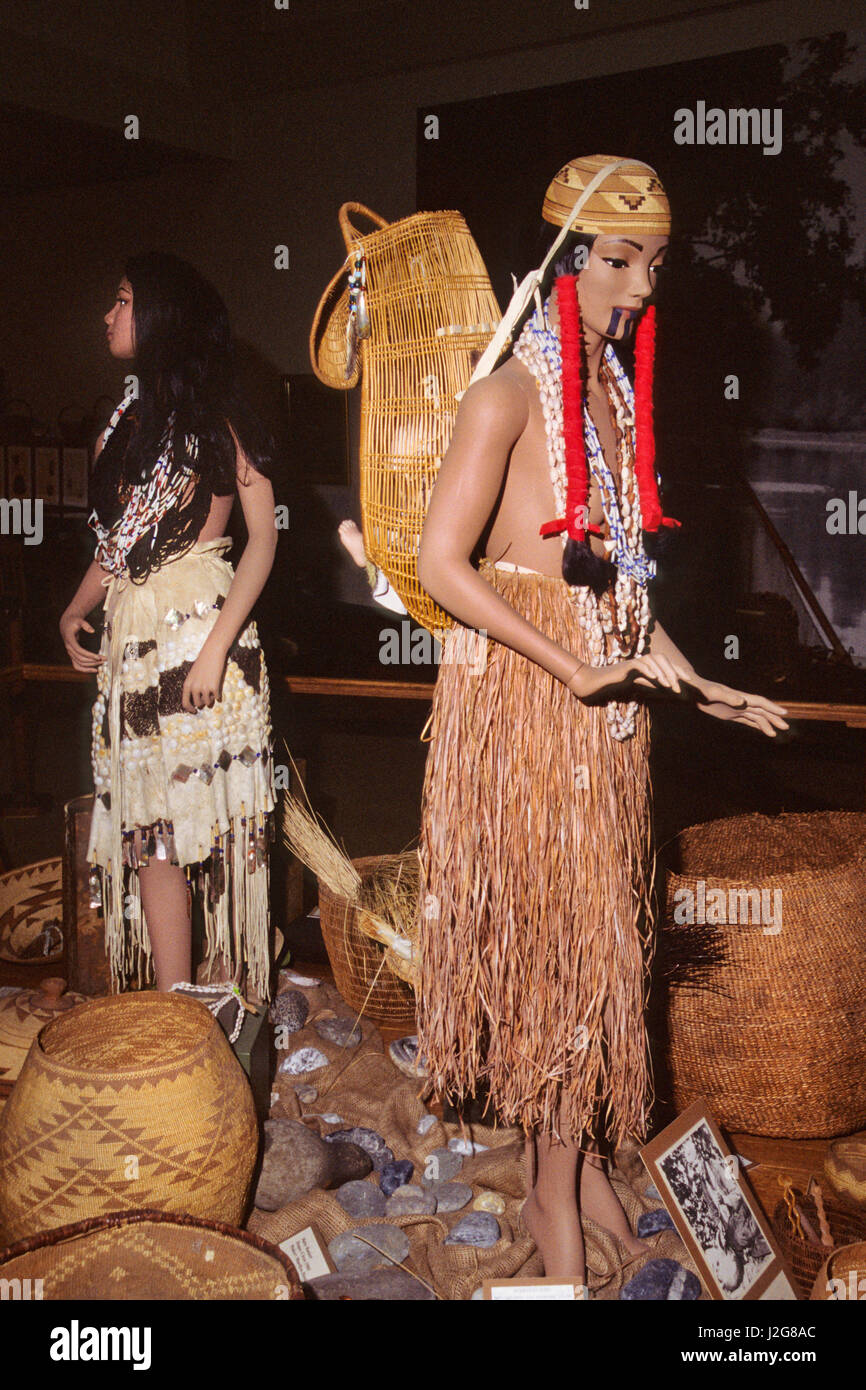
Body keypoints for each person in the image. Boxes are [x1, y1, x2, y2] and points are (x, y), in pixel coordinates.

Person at [414, 155, 788, 1284]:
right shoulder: (505, 396)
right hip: (523, 708)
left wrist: (693, 678)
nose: (641, 287)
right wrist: (566, 667)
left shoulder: (613, 401)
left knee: (599, 947)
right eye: (621, 261)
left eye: (655, 264)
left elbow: (619, 586)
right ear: (566, 260)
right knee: (554, 954)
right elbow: (441, 563)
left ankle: (574, 1170)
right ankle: (549, 1190)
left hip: (604, 708)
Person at [60, 253, 278, 998]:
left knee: (214, 823)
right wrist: (75, 608)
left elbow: (263, 540)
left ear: (160, 316)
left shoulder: (222, 421)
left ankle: (237, 994)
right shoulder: (120, 425)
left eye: (122, 301)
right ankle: (175, 1002)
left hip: (201, 635)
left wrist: (216, 652)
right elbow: (119, 550)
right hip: (133, 640)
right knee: (152, 828)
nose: (108, 315)